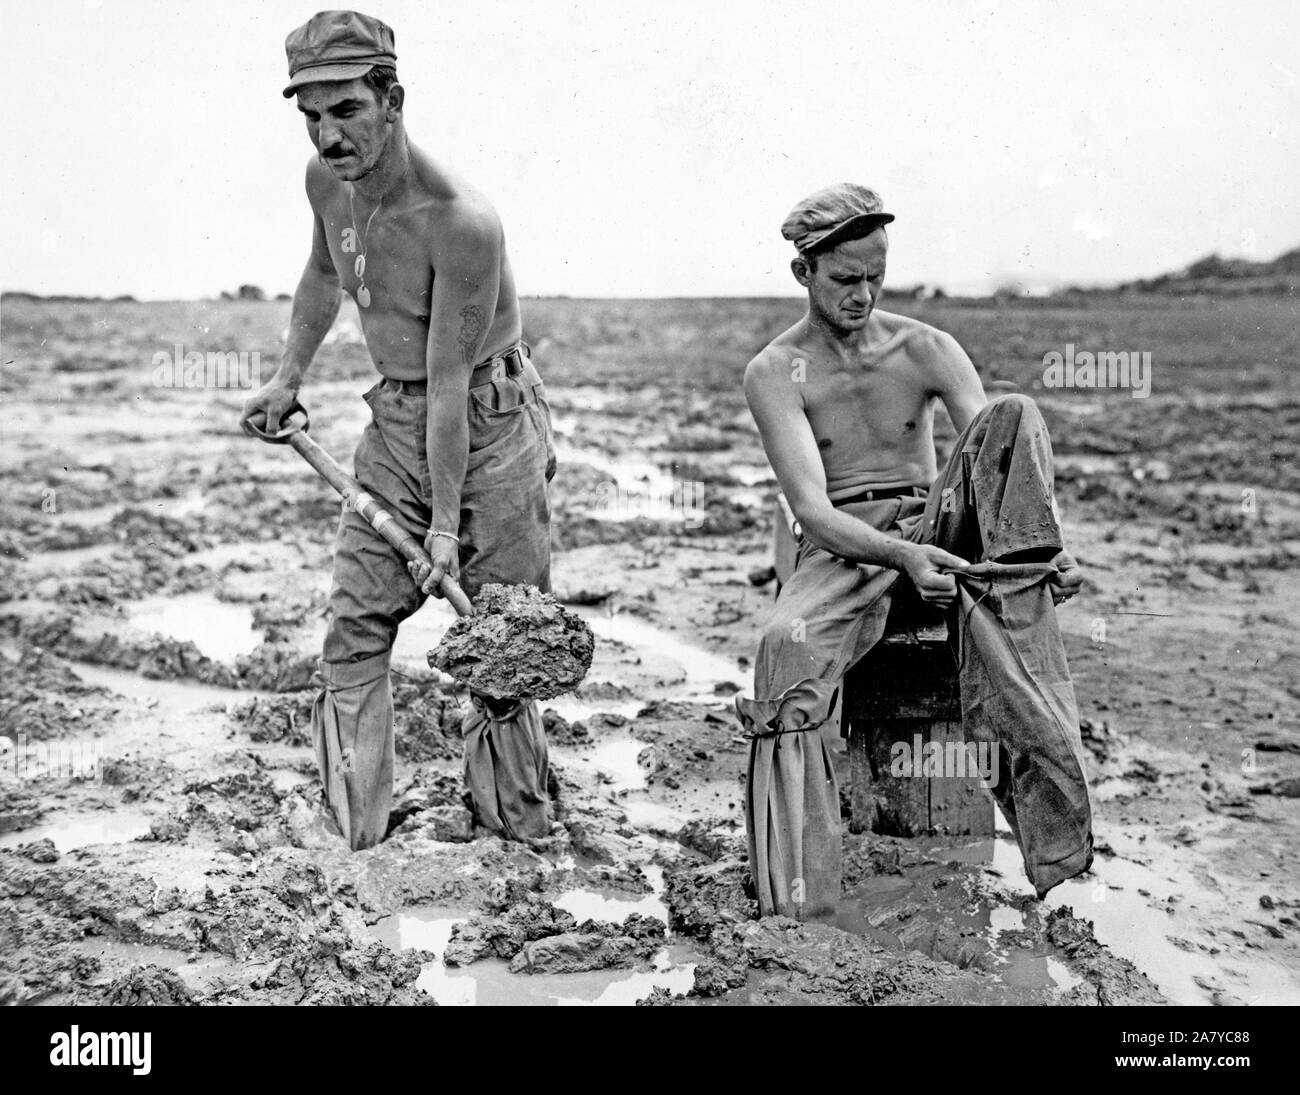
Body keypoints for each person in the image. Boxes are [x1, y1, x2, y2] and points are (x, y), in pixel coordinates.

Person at [241, 11, 556, 850]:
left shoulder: (461, 222)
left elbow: (451, 381)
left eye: (345, 109)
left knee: (504, 645)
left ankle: (518, 841)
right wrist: (287, 377)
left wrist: (445, 526)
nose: (326, 132)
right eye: (310, 113)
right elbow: (320, 274)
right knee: (353, 628)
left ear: (393, 98)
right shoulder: (325, 180)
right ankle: (358, 835)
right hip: (395, 419)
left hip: (486, 427)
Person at [737, 183, 1093, 917]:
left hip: (935, 521)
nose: (863, 294)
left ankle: (1055, 839)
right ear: (803, 273)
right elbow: (810, 509)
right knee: (782, 648)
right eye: (845, 280)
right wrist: (900, 560)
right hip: (847, 543)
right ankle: (800, 903)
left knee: (1013, 413)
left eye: (875, 276)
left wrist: (1048, 547)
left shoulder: (926, 346)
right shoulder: (775, 371)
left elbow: (997, 464)